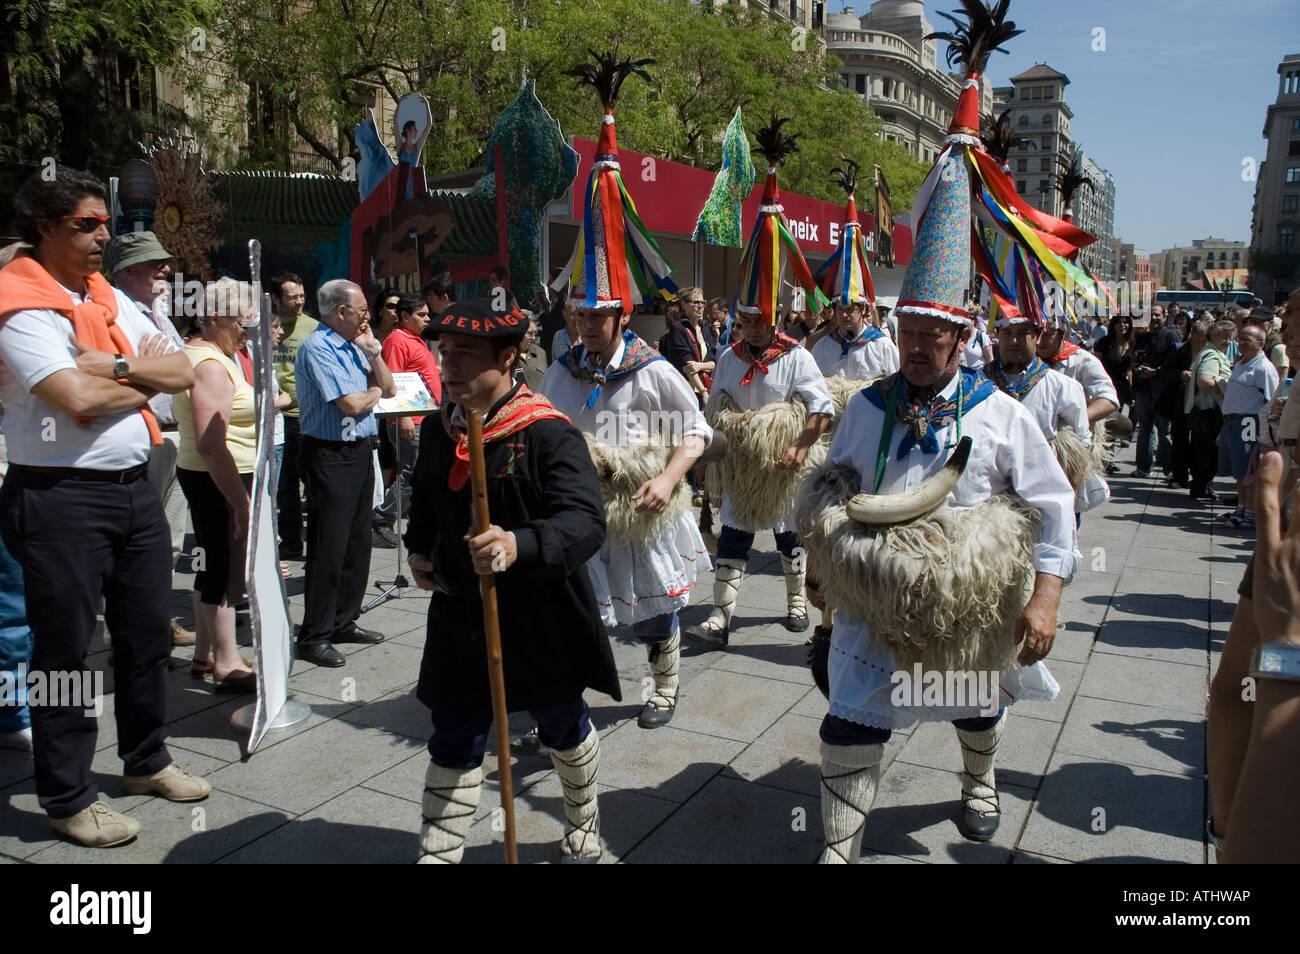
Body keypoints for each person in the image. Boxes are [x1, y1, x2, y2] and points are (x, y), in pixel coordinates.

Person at [795, 26, 1078, 857]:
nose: (917, 347)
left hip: (962, 600)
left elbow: (1051, 503)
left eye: (934, 336)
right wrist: (819, 563)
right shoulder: (865, 403)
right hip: (871, 593)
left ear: (962, 340)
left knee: (972, 700)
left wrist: (1047, 596)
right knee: (851, 717)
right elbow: (835, 481)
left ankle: (979, 777)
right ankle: (840, 849)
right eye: (908, 330)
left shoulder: (1001, 413)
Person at [0, 167, 210, 848]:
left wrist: (109, 365)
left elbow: (184, 372)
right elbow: (77, 403)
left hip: (131, 489)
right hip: (59, 496)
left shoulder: (101, 294)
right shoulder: (20, 305)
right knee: (64, 652)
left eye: (104, 223)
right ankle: (67, 795)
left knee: (147, 631)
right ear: (44, 229)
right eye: (84, 225)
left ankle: (146, 760)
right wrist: (135, 380)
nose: (102, 236)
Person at [407, 296, 621, 863]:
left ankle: (582, 818)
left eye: (464, 355)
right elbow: (428, 501)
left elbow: (584, 523)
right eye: (444, 352)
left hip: (537, 612)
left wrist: (516, 543)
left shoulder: (548, 434)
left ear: (507, 359)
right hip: (460, 612)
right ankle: (441, 849)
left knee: (559, 721)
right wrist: (420, 549)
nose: (448, 365)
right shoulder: (437, 430)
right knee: (454, 729)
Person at [684, 117, 832, 646]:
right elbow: (714, 404)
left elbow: (821, 409)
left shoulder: (796, 358)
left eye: (757, 321)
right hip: (744, 464)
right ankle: (722, 614)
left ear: (773, 320)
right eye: (744, 319)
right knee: (735, 537)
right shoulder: (726, 356)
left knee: (790, 533)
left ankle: (796, 601)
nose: (748, 327)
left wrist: (799, 444)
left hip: (785, 466)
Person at [541, 300, 710, 729]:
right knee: (573, 611)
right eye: (580, 316)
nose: (587, 325)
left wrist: (669, 480)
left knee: (653, 609)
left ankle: (664, 688)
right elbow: (538, 428)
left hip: (639, 509)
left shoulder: (653, 371)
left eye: (598, 316)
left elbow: (695, 431)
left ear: (624, 316)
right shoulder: (562, 371)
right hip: (577, 511)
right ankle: (561, 709)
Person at [294, 279, 395, 667]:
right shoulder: (318, 347)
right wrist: (371, 394)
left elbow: (386, 389)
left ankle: (344, 619)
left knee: (357, 543)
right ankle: (314, 634)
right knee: (328, 547)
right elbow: (353, 404)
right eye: (362, 309)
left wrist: (375, 356)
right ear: (341, 312)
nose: (367, 315)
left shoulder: (359, 345)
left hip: (359, 452)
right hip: (330, 455)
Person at [107, 230, 195, 647]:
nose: (165, 269)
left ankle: (158, 622)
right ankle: (130, 631)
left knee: (169, 541)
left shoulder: (156, 312)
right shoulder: (114, 312)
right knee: (134, 543)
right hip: (146, 436)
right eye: (155, 263)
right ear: (128, 271)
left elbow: (179, 367)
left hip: (175, 436)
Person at [173, 278, 259, 693]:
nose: (249, 329)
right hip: (220, 477)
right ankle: (226, 663)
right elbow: (212, 444)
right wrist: (241, 504)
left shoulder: (203, 354)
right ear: (213, 318)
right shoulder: (210, 364)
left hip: (207, 474)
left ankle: (206, 653)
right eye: (243, 320)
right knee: (225, 568)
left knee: (209, 561)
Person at [373, 293, 441, 547]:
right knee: (412, 472)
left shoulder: (414, 339)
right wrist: (405, 418)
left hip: (424, 417)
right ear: (404, 316)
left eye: (427, 314)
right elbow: (394, 382)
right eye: (421, 315)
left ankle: (416, 519)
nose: (427, 318)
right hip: (411, 419)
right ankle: (382, 517)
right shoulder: (396, 341)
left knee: (419, 471)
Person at [270, 272, 318, 560]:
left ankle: (318, 541)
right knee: (285, 484)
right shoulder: (264, 328)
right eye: (292, 296)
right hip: (276, 417)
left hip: (306, 416)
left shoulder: (313, 328)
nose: (299, 301)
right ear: (276, 299)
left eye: (301, 295)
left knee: (312, 482)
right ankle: (290, 542)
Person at [1219, 321, 1279, 529]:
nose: (1241, 344)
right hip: (1233, 421)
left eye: (1247, 340)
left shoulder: (1264, 368)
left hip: (1248, 422)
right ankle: (1241, 508)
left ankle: (1249, 513)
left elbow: (1270, 400)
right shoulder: (1241, 362)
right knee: (1238, 471)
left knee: (1246, 470)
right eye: (1240, 339)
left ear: (1260, 343)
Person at [1130, 305, 1180, 477]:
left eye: (1158, 315)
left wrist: (1156, 371)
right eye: (1151, 315)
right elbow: (1134, 361)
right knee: (1145, 429)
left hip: (1162, 390)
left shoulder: (1171, 336)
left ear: (1165, 317)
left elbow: (1176, 363)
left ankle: (1169, 468)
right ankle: (1144, 467)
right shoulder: (1142, 338)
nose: (1154, 318)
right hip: (1143, 389)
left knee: (1164, 431)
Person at [1159, 317, 1209, 489]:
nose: (1200, 343)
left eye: (1204, 340)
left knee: (1199, 443)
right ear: (1191, 335)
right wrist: (1180, 374)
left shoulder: (1210, 353)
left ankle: (1198, 478)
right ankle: (1179, 476)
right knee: (1179, 441)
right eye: (1197, 339)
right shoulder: (1180, 350)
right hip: (1181, 402)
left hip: (1201, 404)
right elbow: (1165, 372)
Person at [1188, 320, 1235, 501]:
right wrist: (1226, 389)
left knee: (1206, 453)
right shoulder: (1211, 355)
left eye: (1230, 338)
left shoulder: (1214, 352)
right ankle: (1201, 487)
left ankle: (1203, 487)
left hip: (1207, 411)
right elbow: (1204, 381)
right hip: (1209, 411)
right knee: (1209, 453)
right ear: (1213, 336)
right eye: (1224, 337)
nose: (1228, 342)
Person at [811, 298, 899, 382]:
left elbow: (897, 382)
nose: (844, 314)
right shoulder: (822, 346)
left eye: (850, 309)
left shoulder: (883, 346)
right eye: (840, 309)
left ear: (863, 310)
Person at [664, 286, 717, 403]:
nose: (700, 306)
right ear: (684, 305)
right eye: (695, 302)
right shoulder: (678, 328)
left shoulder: (705, 327)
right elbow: (688, 366)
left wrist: (700, 366)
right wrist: (703, 391)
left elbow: (713, 362)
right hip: (687, 391)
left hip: (707, 389)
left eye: (703, 302)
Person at [511, 310, 549, 392]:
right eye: (530, 333)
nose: (534, 338)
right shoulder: (507, 355)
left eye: (535, 333)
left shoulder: (541, 353)